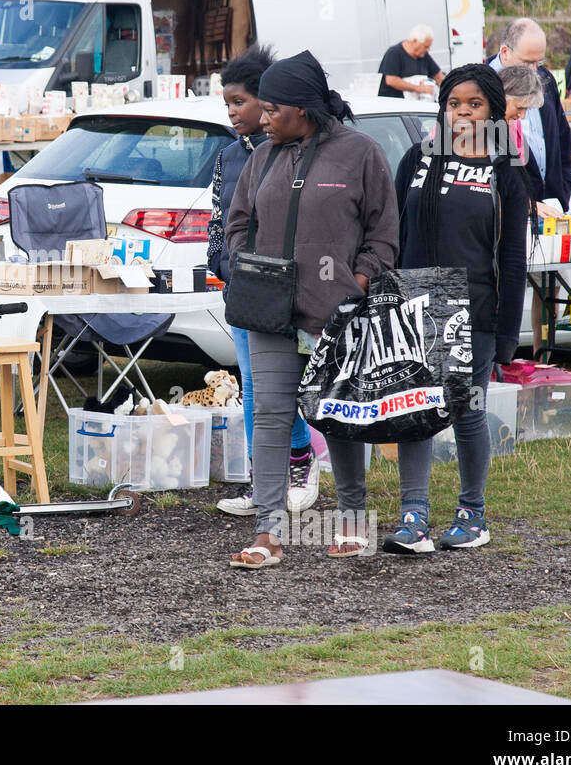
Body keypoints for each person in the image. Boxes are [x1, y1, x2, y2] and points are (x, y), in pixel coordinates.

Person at [224, 50, 399, 568]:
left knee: (339, 415)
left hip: (336, 313)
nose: (263, 117)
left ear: (302, 109)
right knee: (272, 417)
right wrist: (248, 268)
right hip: (269, 314)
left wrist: (356, 283)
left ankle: (352, 519)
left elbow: (384, 234)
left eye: (273, 109)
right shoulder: (262, 157)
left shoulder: (361, 153)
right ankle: (268, 533)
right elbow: (237, 223)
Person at [385, 64, 529, 554]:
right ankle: (413, 517)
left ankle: (473, 515)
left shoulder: (506, 172)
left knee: (467, 412)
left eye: (474, 104)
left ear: (492, 111)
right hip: (415, 302)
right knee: (415, 411)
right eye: (453, 103)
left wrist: (507, 331)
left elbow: (512, 257)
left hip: (475, 311)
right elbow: (395, 233)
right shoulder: (416, 159)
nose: (463, 112)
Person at [207, 45, 317, 519]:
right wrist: (231, 271)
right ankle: (262, 479)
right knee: (252, 386)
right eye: (226, 103)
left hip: (289, 294)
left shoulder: (294, 154)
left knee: (281, 387)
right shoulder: (228, 157)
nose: (232, 112)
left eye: (240, 102)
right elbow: (218, 225)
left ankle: (300, 462)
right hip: (243, 293)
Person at [487, 17, 571, 215]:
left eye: (539, 62)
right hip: (508, 211)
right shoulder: (480, 88)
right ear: (505, 52)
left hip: (549, 204)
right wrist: (524, 203)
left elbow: (561, 135)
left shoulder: (545, 79)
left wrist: (563, 188)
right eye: (527, 62)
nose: (534, 70)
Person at [377, 24, 444, 99]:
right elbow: (391, 80)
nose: (428, 50)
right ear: (415, 41)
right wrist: (419, 88)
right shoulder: (394, 53)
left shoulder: (423, 55)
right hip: (395, 103)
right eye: (426, 46)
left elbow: (438, 77)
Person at [499, 64, 545, 164]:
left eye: (526, 109)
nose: (522, 116)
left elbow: (518, 168)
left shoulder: (515, 127)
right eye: (519, 108)